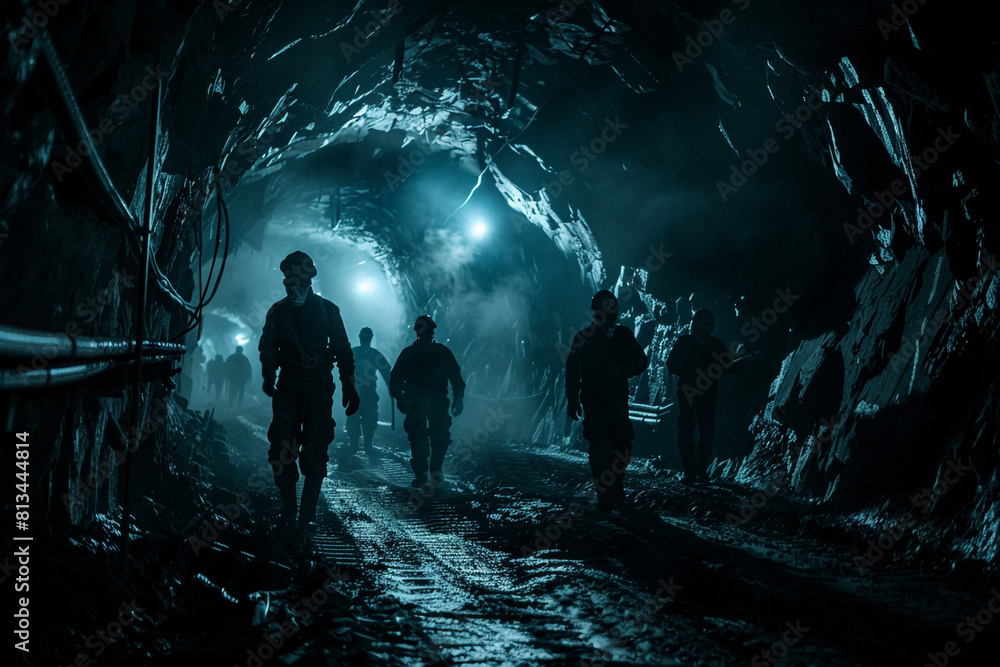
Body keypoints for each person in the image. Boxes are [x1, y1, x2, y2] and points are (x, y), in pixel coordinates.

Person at [259, 251, 360, 530]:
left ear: (309, 280)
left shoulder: (329, 311)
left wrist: (349, 387)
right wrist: (269, 375)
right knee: (282, 448)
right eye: (288, 281)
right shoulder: (278, 312)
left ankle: (306, 517)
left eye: (297, 280)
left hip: (317, 390)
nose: (293, 288)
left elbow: (343, 351)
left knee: (315, 449)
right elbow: (268, 348)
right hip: (289, 388)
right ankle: (290, 513)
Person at [566, 290, 649, 511]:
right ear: (596, 312)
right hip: (594, 401)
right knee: (600, 446)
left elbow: (642, 361)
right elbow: (573, 371)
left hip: (617, 401)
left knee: (621, 444)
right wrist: (572, 399)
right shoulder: (583, 338)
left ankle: (616, 488)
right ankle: (604, 492)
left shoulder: (624, 335)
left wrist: (622, 369)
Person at [389, 315, 465, 488]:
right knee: (419, 438)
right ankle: (424, 474)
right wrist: (401, 398)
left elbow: (456, 379)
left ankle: (433, 471)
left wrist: (458, 399)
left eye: (427, 330)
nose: (426, 334)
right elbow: (395, 381)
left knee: (437, 437)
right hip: (417, 403)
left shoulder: (426, 353)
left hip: (434, 402)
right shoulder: (417, 353)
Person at [666, 308, 740, 484]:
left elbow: (727, 367)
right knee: (686, 430)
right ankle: (690, 472)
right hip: (687, 393)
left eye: (708, 319)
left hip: (708, 394)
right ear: (694, 322)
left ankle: (699, 468)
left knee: (706, 432)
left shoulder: (716, 344)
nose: (706, 323)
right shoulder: (684, 342)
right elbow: (671, 364)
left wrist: (736, 367)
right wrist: (692, 372)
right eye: (702, 319)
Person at [347, 327, 392, 456]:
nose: (365, 339)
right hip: (358, 393)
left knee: (368, 420)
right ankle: (359, 445)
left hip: (364, 393)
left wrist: (390, 385)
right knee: (358, 419)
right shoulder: (372, 354)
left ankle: (364, 445)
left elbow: (386, 373)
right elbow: (386, 373)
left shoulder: (355, 352)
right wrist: (390, 386)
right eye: (364, 338)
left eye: (366, 338)